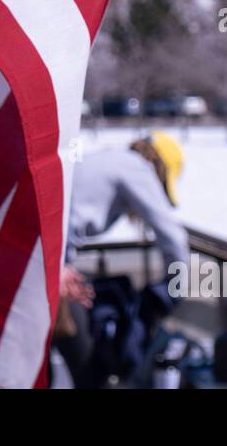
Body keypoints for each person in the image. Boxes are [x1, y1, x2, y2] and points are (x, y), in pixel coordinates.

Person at [55, 132, 189, 387]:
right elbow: (172, 236)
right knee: (92, 373)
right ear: (158, 168)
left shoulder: (112, 159)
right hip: (51, 274)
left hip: (48, 266)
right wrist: (176, 289)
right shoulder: (136, 167)